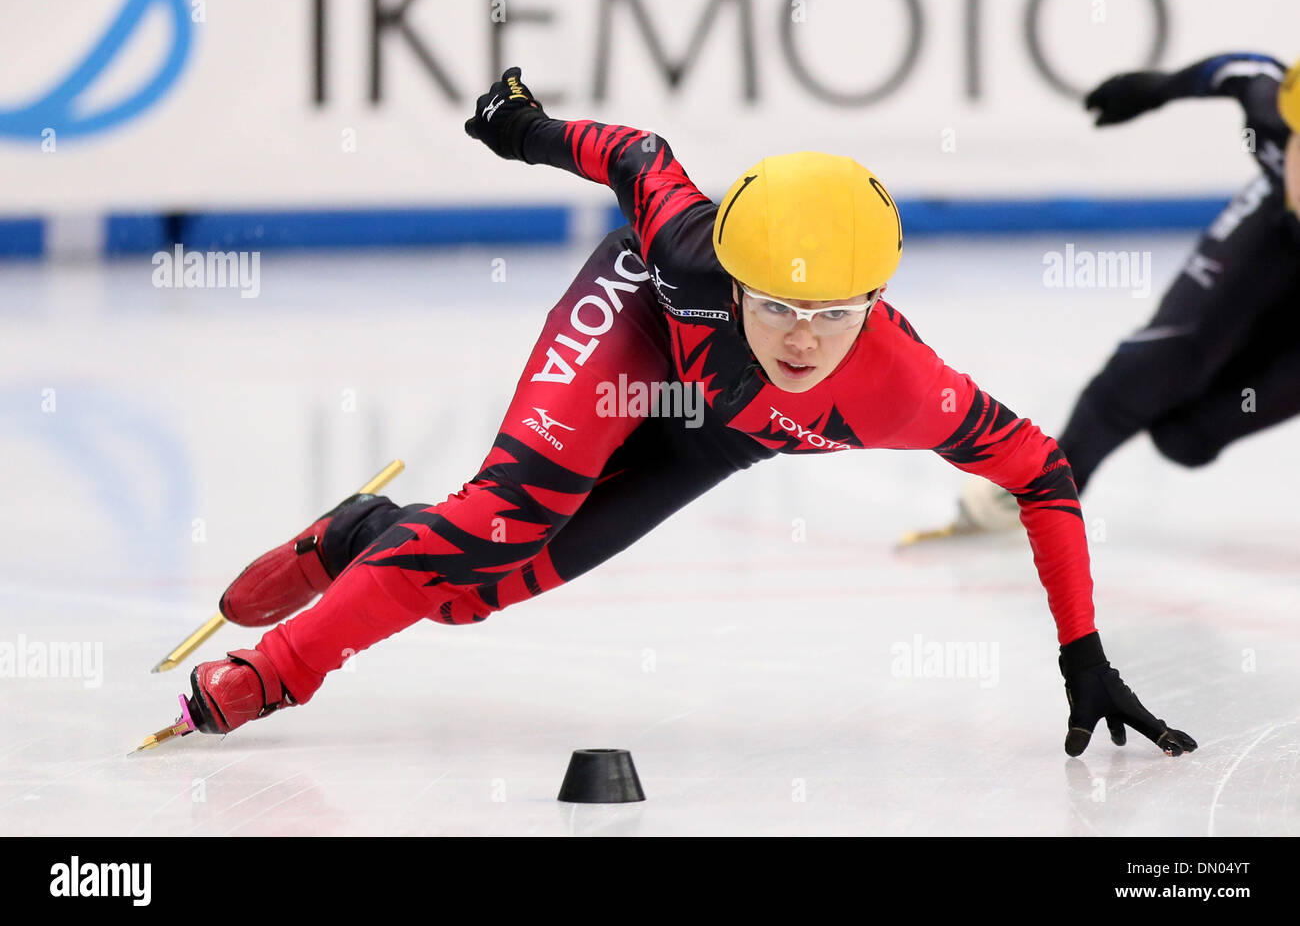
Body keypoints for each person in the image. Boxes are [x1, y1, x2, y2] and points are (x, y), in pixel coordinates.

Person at [170, 68, 1196, 759]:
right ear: (736, 281)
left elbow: (1043, 474)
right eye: (778, 306)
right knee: (501, 518)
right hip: (633, 340)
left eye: (833, 316)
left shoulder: (907, 386)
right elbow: (638, 156)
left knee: (467, 592)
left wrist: (1081, 650)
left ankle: (358, 534)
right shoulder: (693, 254)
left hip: (716, 436)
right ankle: (277, 671)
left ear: (874, 306)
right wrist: (523, 128)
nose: (803, 337)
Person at [958, 52, 1300, 531]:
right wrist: (1158, 88)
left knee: (1187, 439)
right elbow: (1242, 71)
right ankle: (1051, 488)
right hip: (1271, 231)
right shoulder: (1270, 113)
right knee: (1159, 362)